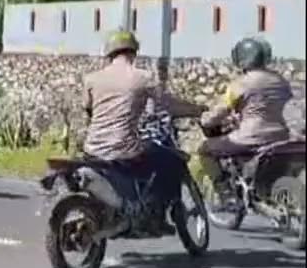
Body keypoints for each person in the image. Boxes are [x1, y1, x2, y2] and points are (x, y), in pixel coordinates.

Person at [80, 30, 206, 230]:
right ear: (134, 52)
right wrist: (197, 110)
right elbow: (168, 105)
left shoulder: (92, 79)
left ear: (109, 53)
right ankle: (156, 214)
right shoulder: (143, 77)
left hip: (91, 149)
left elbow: (88, 108)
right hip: (124, 151)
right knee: (172, 160)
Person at [196, 36, 294, 204]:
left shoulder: (242, 84)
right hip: (281, 135)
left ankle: (225, 193)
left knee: (205, 149)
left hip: (252, 137)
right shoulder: (281, 81)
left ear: (242, 59)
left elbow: (222, 110)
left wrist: (206, 119)